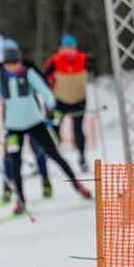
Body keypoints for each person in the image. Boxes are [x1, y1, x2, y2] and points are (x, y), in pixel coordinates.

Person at [0, 40, 92, 214]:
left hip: (34, 123)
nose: (14, 68)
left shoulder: (28, 74)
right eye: (10, 65)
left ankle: (77, 185)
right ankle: (20, 199)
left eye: (16, 64)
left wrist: (51, 107)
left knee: (54, 154)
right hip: (13, 127)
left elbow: (45, 91)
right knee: (15, 163)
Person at [42, 34, 94, 172]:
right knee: (77, 129)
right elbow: (94, 70)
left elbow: (43, 77)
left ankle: (54, 153)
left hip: (61, 101)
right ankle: (81, 157)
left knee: (55, 126)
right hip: (78, 99)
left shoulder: (55, 60)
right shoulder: (84, 58)